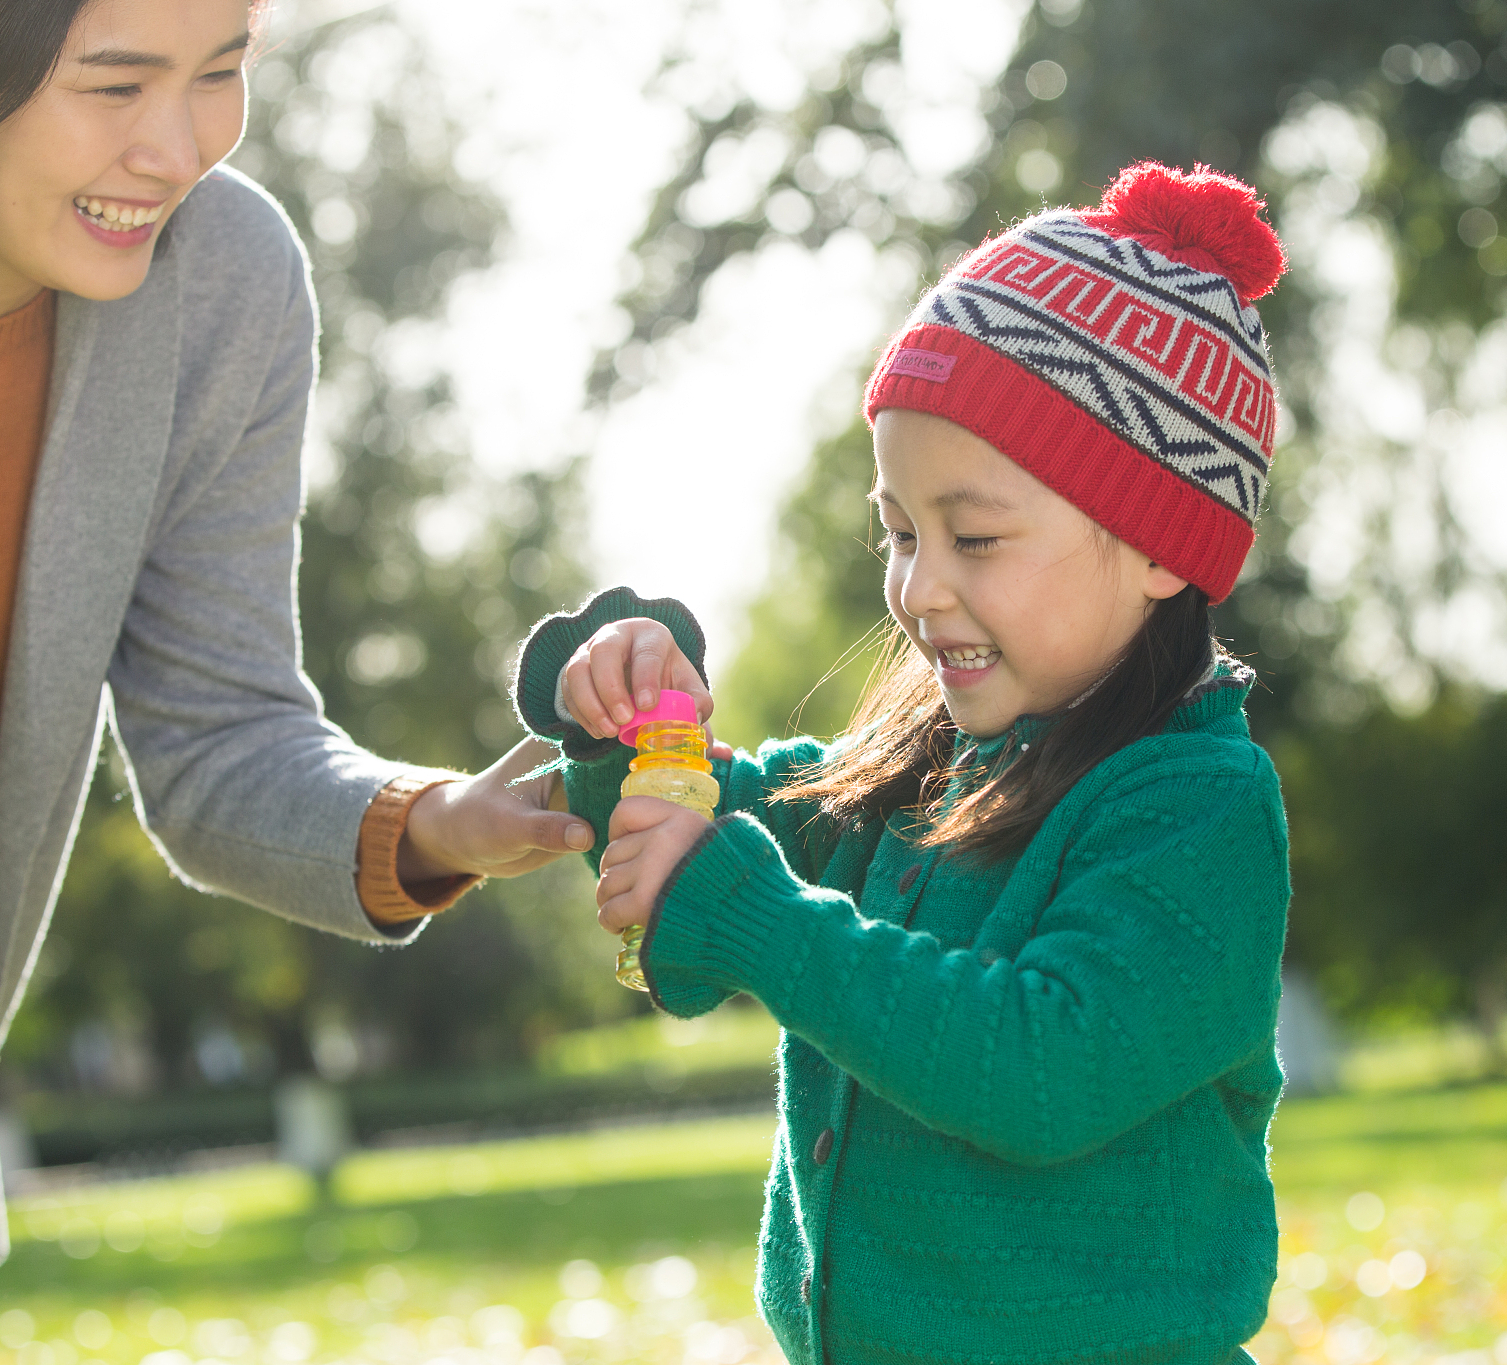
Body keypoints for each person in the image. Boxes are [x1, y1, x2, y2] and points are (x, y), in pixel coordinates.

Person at [0, 0, 591, 1355]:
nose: (177, 150)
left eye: (219, 73)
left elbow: (216, 729)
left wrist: (434, 821)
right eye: (114, 86)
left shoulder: (223, 285)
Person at [513, 163, 1296, 1363]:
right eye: (896, 531)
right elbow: (731, 819)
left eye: (971, 537)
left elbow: (1041, 1069)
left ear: (1156, 544)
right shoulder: (926, 771)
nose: (917, 587)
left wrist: (753, 916)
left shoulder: (1196, 808)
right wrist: (630, 723)